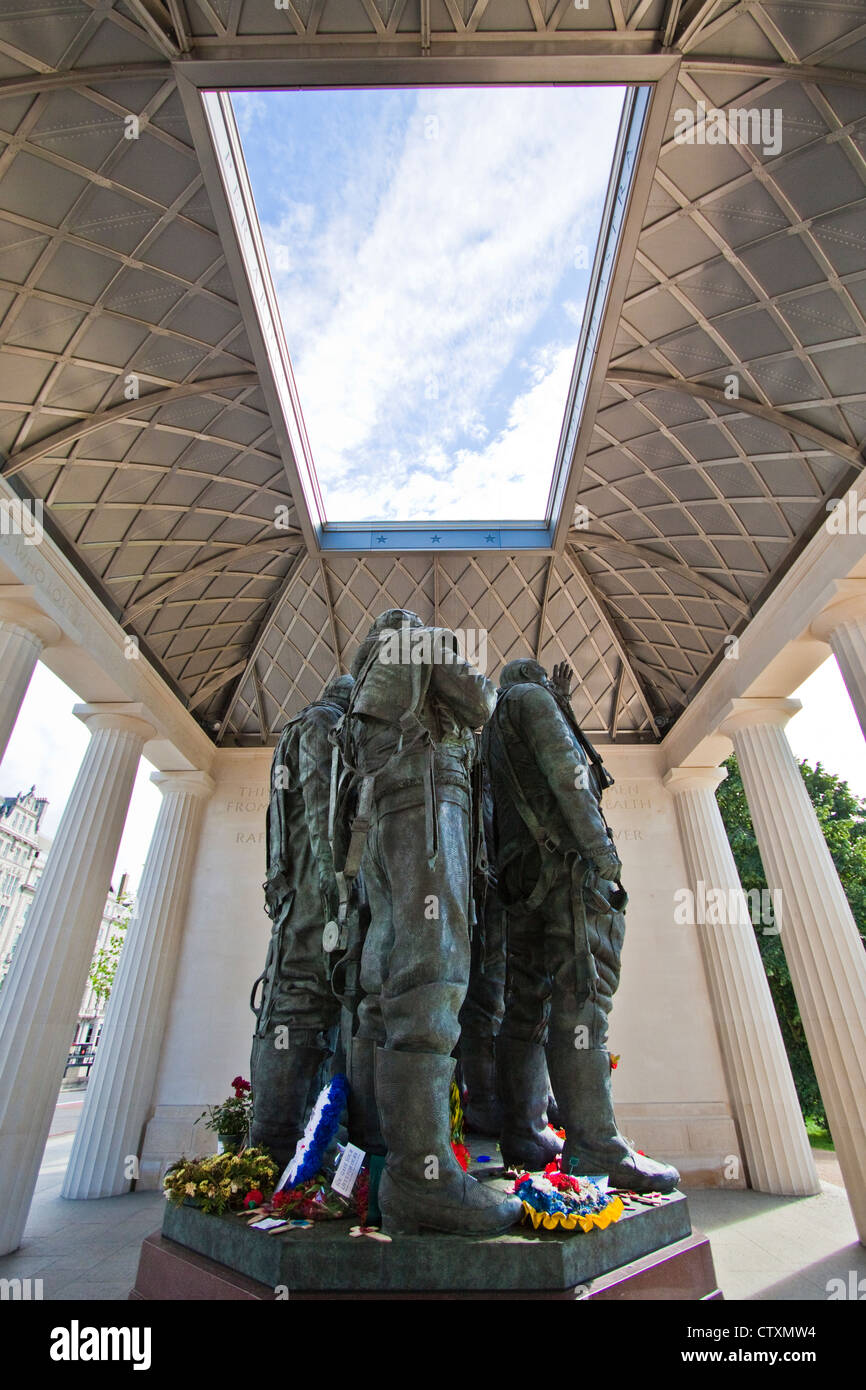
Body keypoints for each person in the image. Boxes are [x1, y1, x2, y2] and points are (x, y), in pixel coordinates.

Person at [336, 609, 522, 1235]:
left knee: (381, 985)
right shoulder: (422, 640)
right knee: (431, 976)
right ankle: (422, 1179)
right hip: (429, 806)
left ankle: (377, 1158)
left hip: (378, 823)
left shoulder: (366, 675)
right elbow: (480, 702)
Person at [482, 658, 679, 1194]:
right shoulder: (532, 700)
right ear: (535, 678)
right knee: (584, 996)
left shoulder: (494, 726)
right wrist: (603, 852)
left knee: (526, 1004)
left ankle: (525, 1133)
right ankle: (595, 1144)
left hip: (522, 880)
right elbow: (570, 776)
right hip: (567, 871)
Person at [249, 673, 354, 1169]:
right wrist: (340, 894)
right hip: (315, 898)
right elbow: (323, 814)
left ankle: (304, 1147)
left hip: (304, 897)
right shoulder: (323, 723)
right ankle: (274, 1149)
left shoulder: (302, 727)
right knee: (299, 1006)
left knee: (316, 1010)